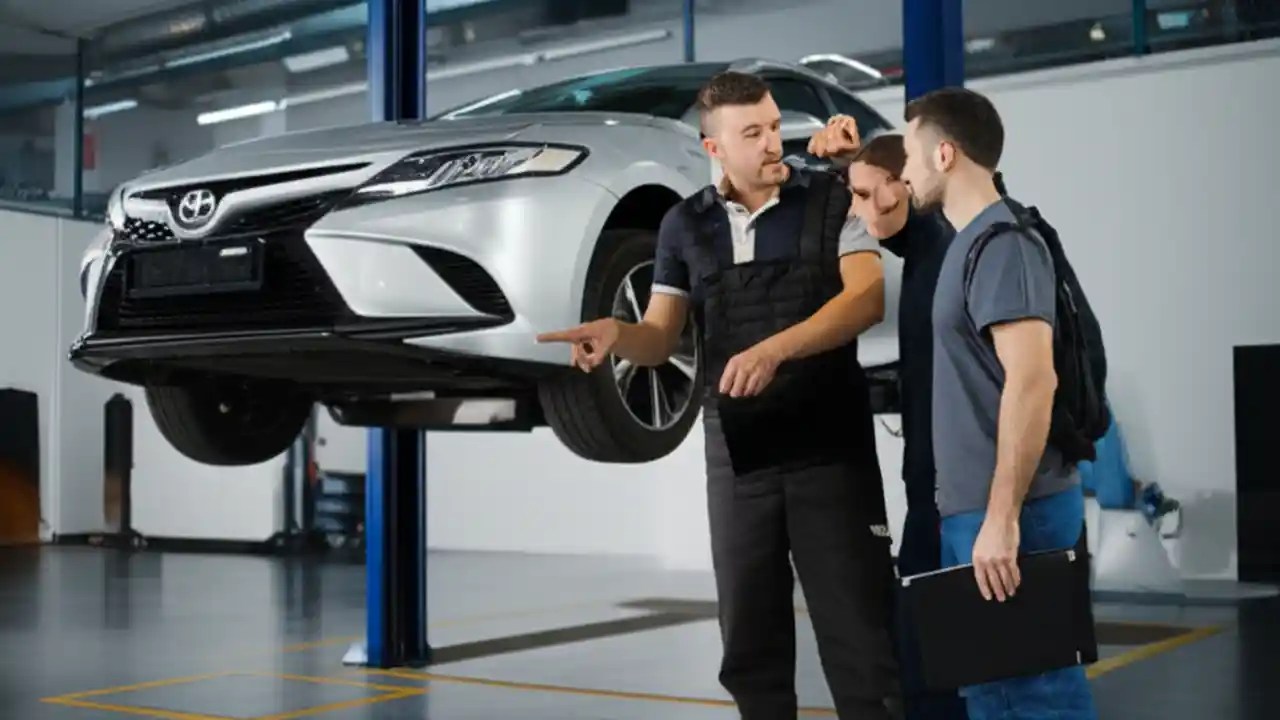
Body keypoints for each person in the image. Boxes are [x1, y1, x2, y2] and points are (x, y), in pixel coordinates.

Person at [537, 71, 902, 720]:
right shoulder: (684, 226)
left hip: (830, 454)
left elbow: (866, 299)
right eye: (752, 132)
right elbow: (660, 336)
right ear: (714, 150)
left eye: (772, 125)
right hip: (738, 463)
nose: (772, 142)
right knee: (751, 648)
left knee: (863, 647)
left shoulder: (829, 198)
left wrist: (773, 349)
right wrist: (614, 334)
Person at [898, 87, 1099, 719]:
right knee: (994, 694)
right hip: (979, 513)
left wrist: (1002, 517)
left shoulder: (1003, 244)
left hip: (1016, 514)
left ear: (946, 155)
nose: (904, 172)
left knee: (1035, 696)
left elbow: (1033, 382)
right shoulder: (966, 242)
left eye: (909, 155)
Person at [808, 125, 968, 720]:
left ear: (910, 185)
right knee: (932, 659)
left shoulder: (944, 244)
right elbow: (882, 203)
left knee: (932, 664)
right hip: (936, 484)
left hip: (950, 490)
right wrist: (850, 164)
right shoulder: (931, 244)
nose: (859, 209)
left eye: (870, 193)